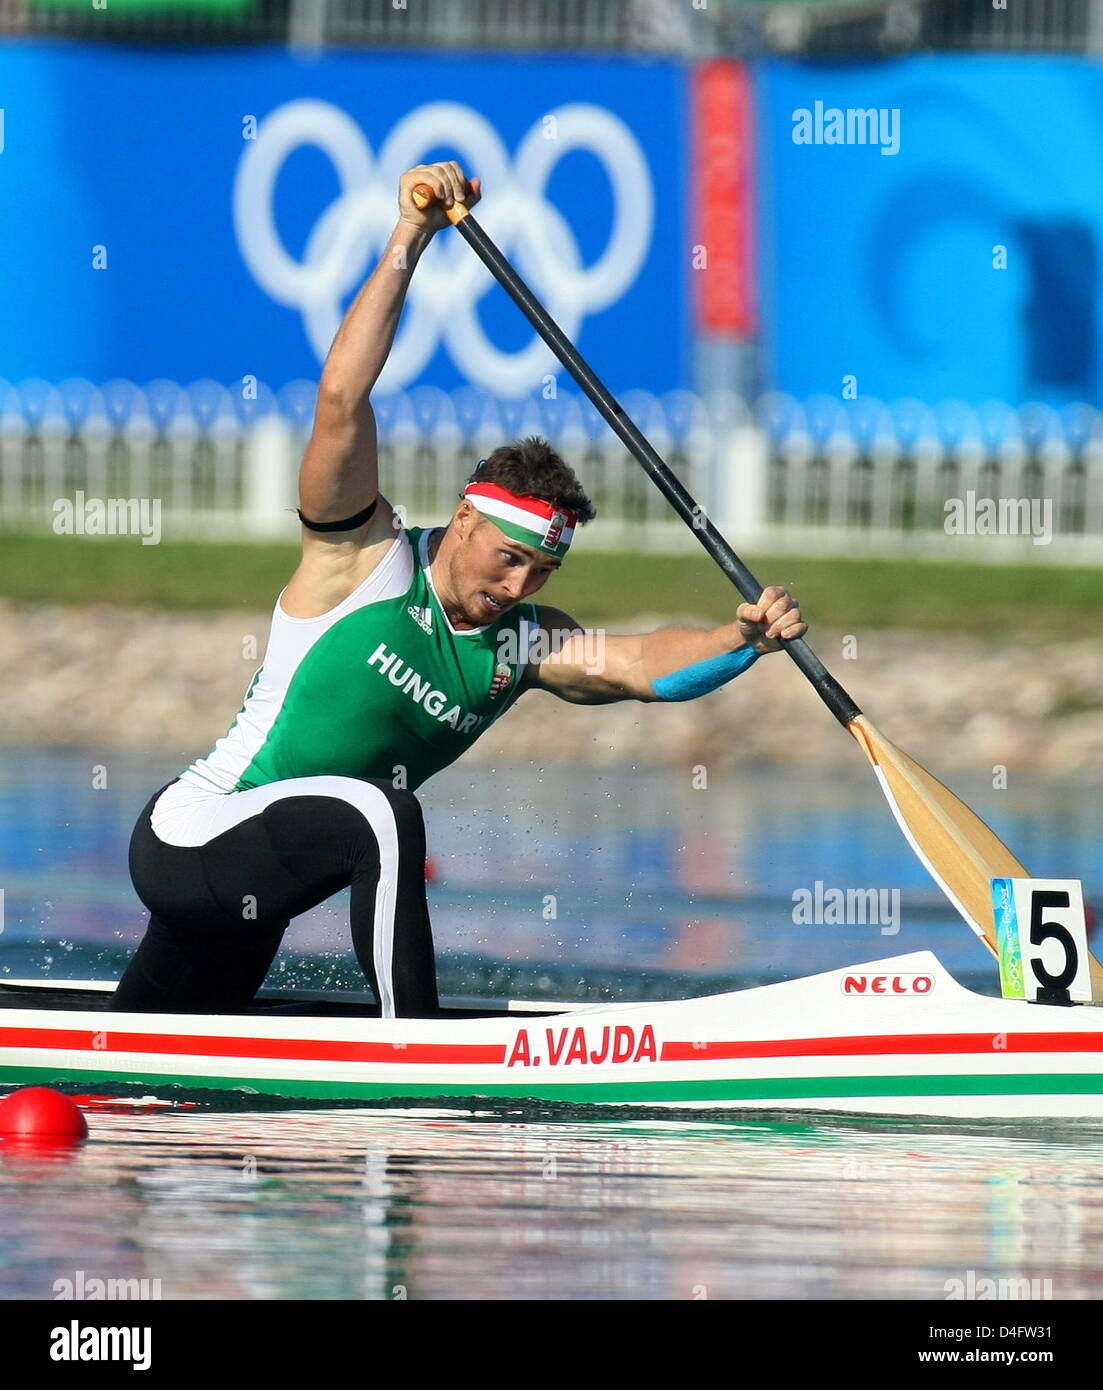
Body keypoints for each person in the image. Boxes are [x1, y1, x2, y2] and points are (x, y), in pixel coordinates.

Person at [111, 161, 806, 1019]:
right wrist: (411, 236)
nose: (517, 586)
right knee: (384, 814)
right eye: (509, 559)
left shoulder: (521, 647)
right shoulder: (363, 556)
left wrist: (742, 640)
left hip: (261, 887)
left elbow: (638, 666)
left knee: (145, 1063)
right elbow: (340, 398)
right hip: (190, 839)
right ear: (464, 520)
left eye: (542, 572)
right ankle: (418, 1054)